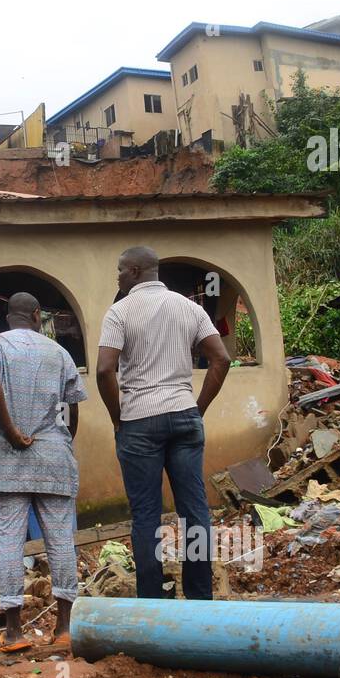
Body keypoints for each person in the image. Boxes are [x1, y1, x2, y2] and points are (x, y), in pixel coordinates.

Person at [96, 246, 230, 602]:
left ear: (137, 271)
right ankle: (201, 600)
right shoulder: (190, 308)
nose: (118, 277)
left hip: (138, 421)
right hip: (184, 415)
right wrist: (197, 408)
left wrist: (117, 417)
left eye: (121, 270)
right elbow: (221, 359)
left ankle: (152, 602)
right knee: (195, 511)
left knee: (146, 516)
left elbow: (104, 369)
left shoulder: (119, 312)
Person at [0, 292, 87, 651]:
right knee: (61, 541)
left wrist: (8, 428)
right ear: (37, 315)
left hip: (9, 461)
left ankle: (14, 632)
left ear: (9, 318)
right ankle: (64, 628)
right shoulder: (58, 352)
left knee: (10, 542)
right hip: (54, 458)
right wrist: (63, 442)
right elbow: (72, 405)